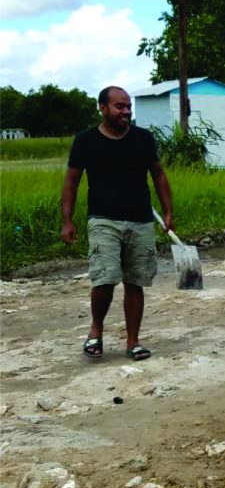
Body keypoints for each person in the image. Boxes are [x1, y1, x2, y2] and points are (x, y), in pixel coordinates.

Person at [61, 85, 173, 361]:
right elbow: (72, 181)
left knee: (135, 281)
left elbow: (158, 175)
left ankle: (133, 341)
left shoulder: (143, 139)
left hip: (141, 220)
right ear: (103, 108)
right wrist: (67, 220)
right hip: (102, 220)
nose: (126, 111)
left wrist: (168, 211)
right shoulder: (85, 141)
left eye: (128, 106)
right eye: (120, 106)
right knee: (105, 278)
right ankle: (96, 330)